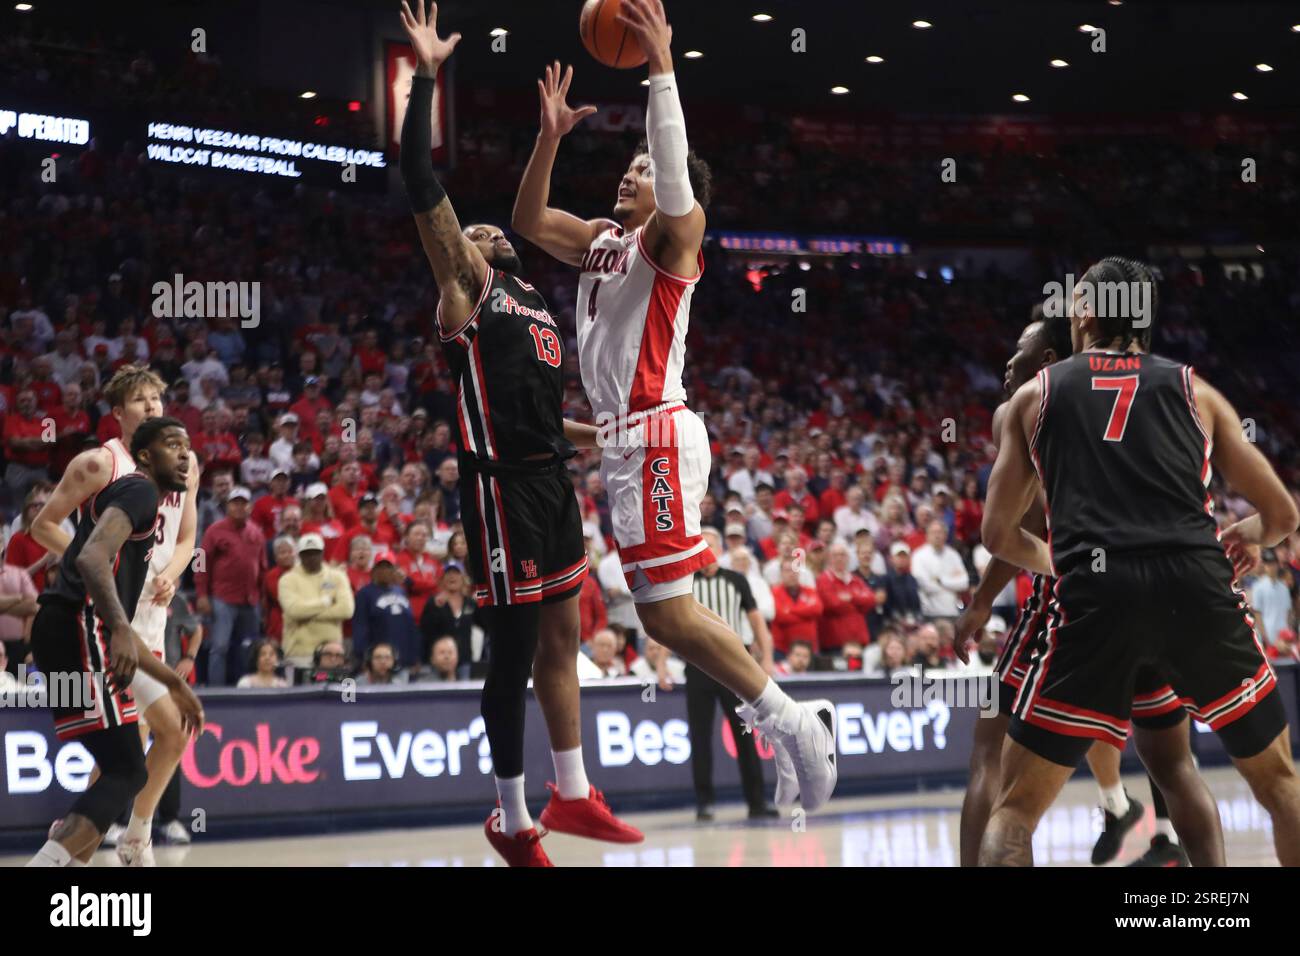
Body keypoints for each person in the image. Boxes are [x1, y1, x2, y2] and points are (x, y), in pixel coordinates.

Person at [513, 0, 836, 817]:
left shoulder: (671, 242)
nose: (630, 172)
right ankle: (789, 721)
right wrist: (549, 137)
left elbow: (674, 172)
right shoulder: (602, 239)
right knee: (663, 620)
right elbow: (524, 222)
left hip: (658, 436)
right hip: (626, 445)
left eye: (644, 168)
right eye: (625, 165)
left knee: (669, 615)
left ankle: (796, 723)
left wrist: (661, 68)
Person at [397, 0, 640, 866]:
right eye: (475, 226)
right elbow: (419, 182)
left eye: (490, 226)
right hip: (498, 488)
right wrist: (425, 77)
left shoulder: (534, 299)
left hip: (548, 479)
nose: (485, 227)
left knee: (564, 635)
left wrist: (605, 434)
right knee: (511, 652)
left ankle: (572, 792)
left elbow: (547, 418)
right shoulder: (466, 285)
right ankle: (508, 815)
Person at [981, 258, 1300, 866]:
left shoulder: (1034, 396)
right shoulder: (1196, 390)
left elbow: (998, 534)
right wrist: (1243, 534)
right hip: (1196, 587)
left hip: (1097, 597)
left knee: (1016, 810)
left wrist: (1065, 561)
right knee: (1280, 785)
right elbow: (1282, 514)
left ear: (1086, 313)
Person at [957, 296, 1221, 868]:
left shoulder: (1028, 404)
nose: (1008, 364)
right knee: (1172, 760)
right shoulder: (1155, 392)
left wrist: (981, 602)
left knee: (993, 761)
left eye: (1019, 352)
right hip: (1159, 582)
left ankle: (1119, 813)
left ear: (1051, 354)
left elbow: (1013, 528)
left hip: (1072, 596)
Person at [31, 365, 202, 866]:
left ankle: (109, 841)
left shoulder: (178, 467)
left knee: (136, 747)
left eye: (158, 398)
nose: (152, 406)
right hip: (97, 617)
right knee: (130, 756)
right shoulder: (113, 470)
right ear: (118, 413)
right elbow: (58, 535)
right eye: (141, 400)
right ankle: (94, 842)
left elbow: (188, 536)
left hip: (129, 617)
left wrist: (165, 569)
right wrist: (100, 569)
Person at [686, 528, 776, 821]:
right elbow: (672, 623)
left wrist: (768, 659)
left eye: (711, 544)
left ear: (720, 548)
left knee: (744, 734)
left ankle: (756, 801)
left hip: (734, 667)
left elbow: (757, 622)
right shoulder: (686, 583)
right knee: (700, 738)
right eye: (702, 544)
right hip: (698, 667)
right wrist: (661, 663)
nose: (706, 548)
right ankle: (704, 803)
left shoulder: (736, 580)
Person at [194, 486, 265, 685]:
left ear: (250, 507)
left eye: (244, 503)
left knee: (248, 648)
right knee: (219, 647)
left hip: (250, 600)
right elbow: (199, 559)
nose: (240, 507)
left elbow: (262, 567)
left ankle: (246, 688)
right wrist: (201, 594)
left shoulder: (256, 532)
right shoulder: (214, 530)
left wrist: (262, 600)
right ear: (228, 506)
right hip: (222, 598)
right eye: (235, 503)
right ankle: (217, 691)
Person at [278, 533, 355, 668]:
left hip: (332, 652)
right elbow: (294, 611)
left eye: (315, 553)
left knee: (333, 688)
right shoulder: (287, 579)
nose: (311, 558)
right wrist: (325, 602)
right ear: (299, 555)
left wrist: (307, 615)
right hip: (300, 653)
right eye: (307, 554)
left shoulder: (338, 576)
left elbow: (346, 610)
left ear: (323, 553)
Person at [352, 551, 420, 669]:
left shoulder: (401, 592)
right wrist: (363, 656)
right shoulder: (364, 594)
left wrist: (414, 657)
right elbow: (360, 627)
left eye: (388, 567)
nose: (384, 571)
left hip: (404, 658)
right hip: (379, 661)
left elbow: (410, 627)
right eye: (380, 567)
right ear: (373, 571)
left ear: (394, 570)